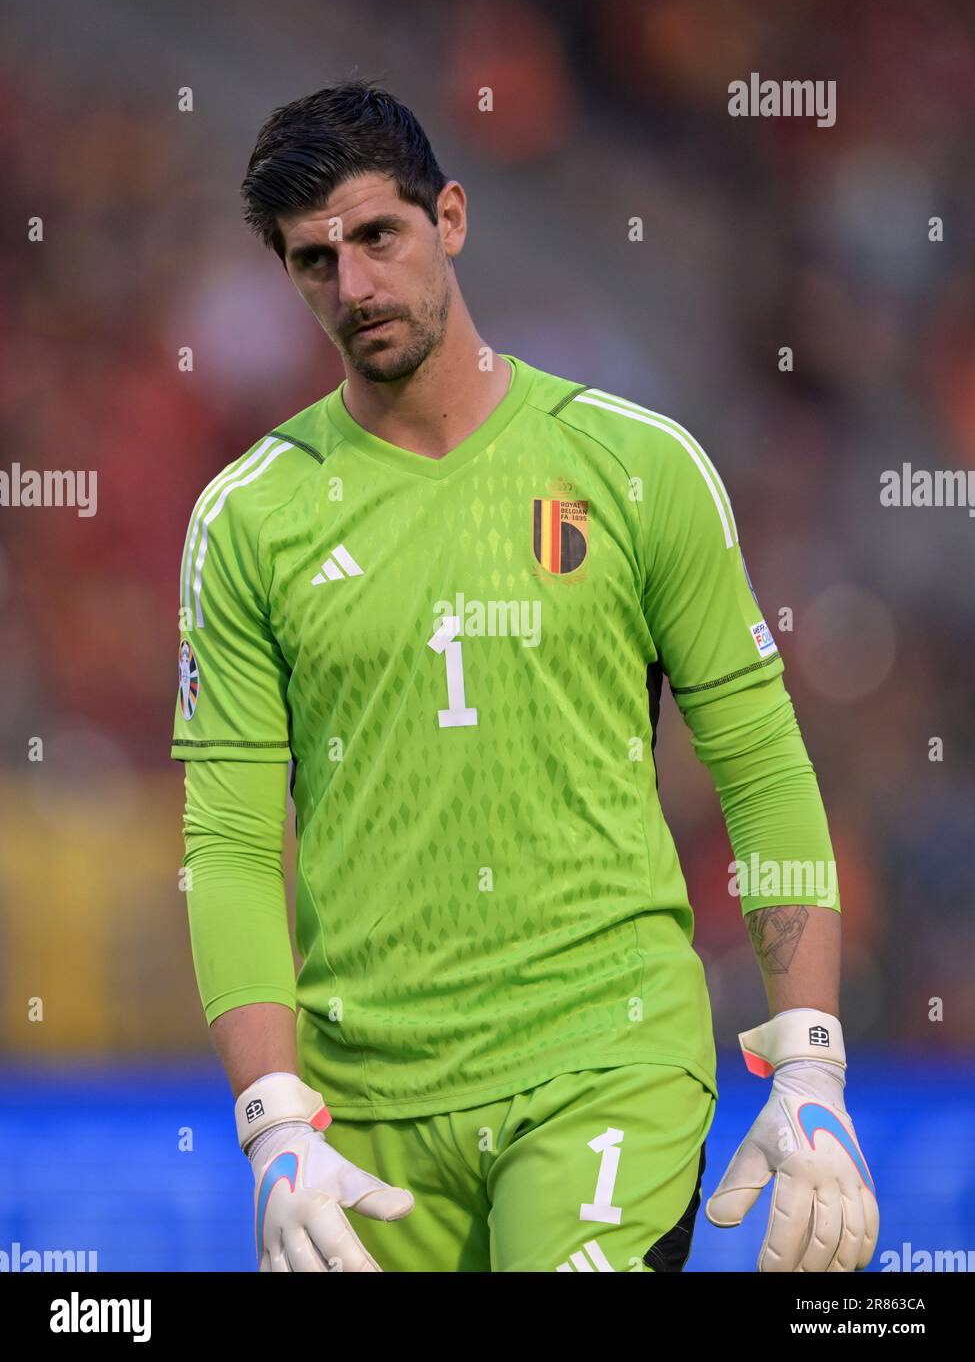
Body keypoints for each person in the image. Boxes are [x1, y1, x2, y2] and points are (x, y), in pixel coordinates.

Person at [172, 80, 877, 1273]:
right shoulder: (249, 520)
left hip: (606, 1063)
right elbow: (231, 848)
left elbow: (760, 766)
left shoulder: (638, 467)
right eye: (312, 261)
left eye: (377, 236)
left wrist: (808, 1056)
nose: (353, 289)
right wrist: (274, 1121)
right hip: (369, 1115)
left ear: (451, 217)